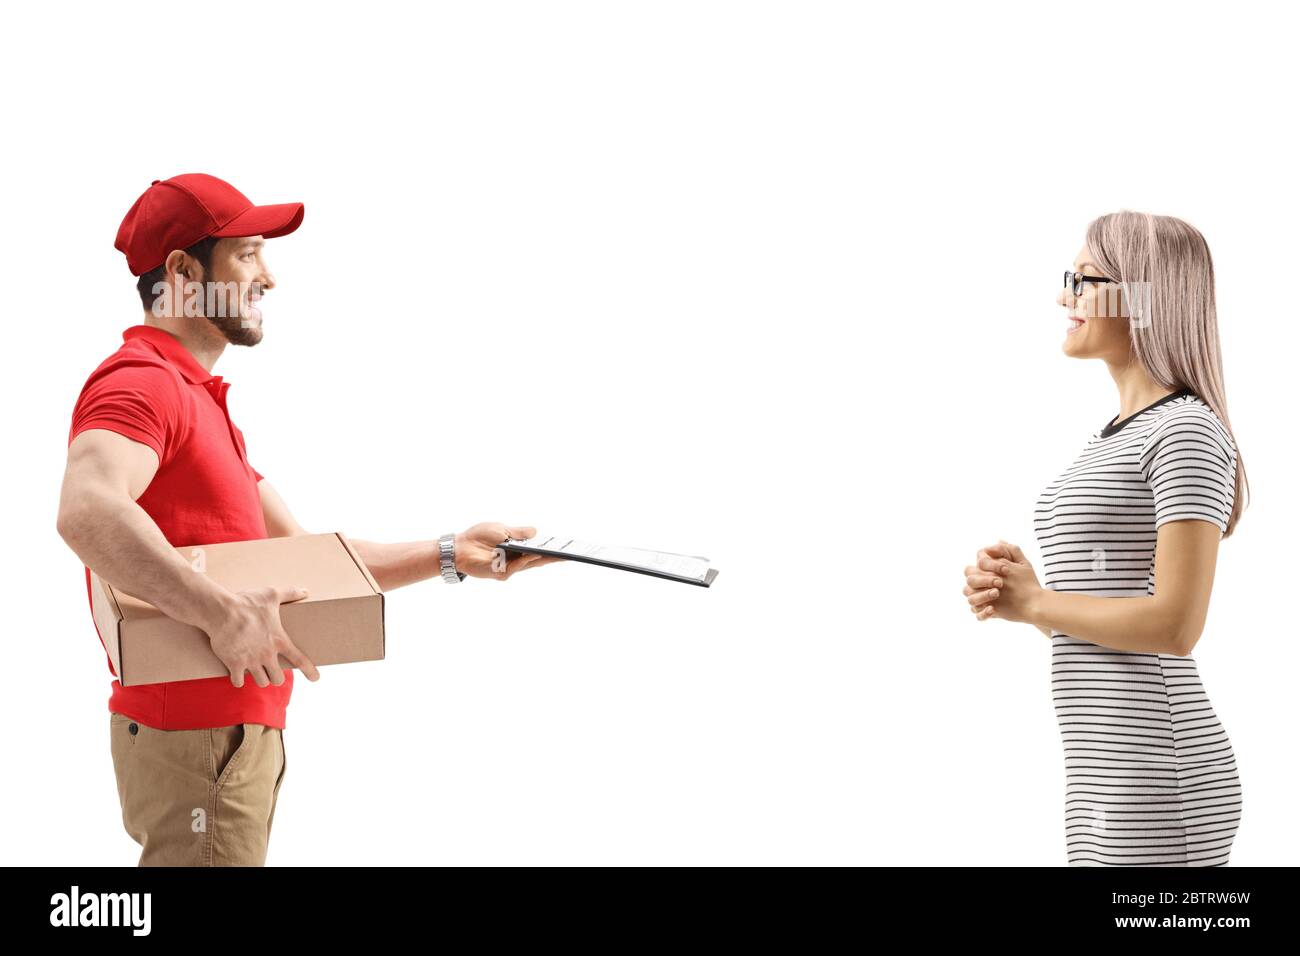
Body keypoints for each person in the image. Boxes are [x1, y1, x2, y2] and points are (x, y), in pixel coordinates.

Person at [56, 173, 561, 866]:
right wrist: (219, 612)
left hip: (228, 736)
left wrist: (454, 553)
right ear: (180, 271)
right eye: (247, 254)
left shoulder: (199, 400)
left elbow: (310, 562)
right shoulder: (142, 383)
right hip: (201, 737)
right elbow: (88, 512)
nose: (268, 278)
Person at [961, 211, 1249, 866]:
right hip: (1101, 774)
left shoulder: (1185, 429)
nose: (1065, 297)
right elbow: (1108, 624)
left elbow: (1175, 628)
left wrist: (1037, 602)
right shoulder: (1109, 439)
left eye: (1086, 280)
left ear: (1147, 294)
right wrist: (1019, 597)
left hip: (1157, 773)